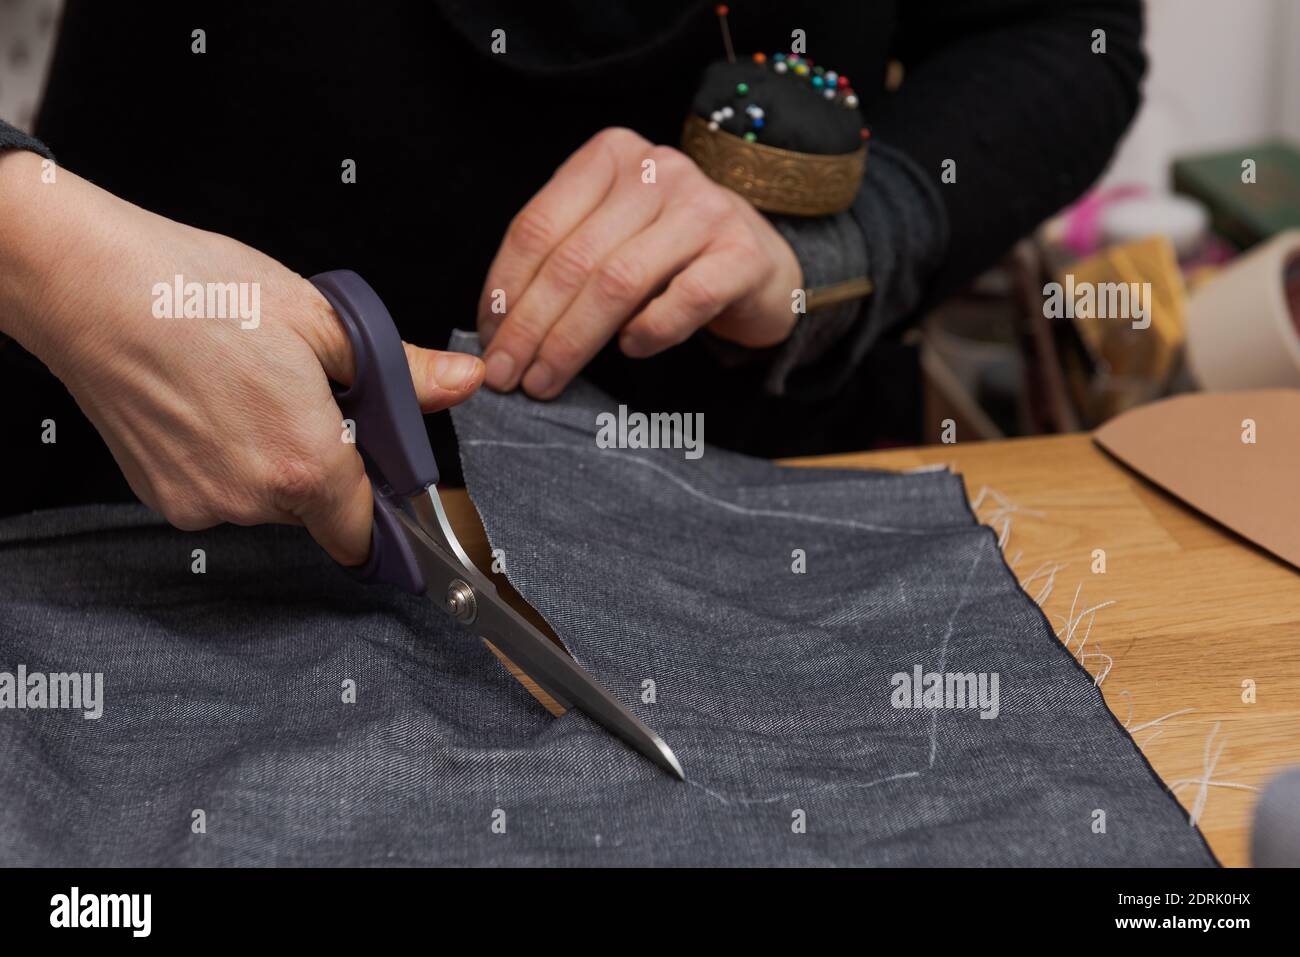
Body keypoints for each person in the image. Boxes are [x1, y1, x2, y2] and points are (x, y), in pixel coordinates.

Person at [0, 0, 1145, 567]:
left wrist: (837, 245)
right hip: (119, 484)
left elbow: (1062, 34)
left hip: (750, 516)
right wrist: (38, 249)